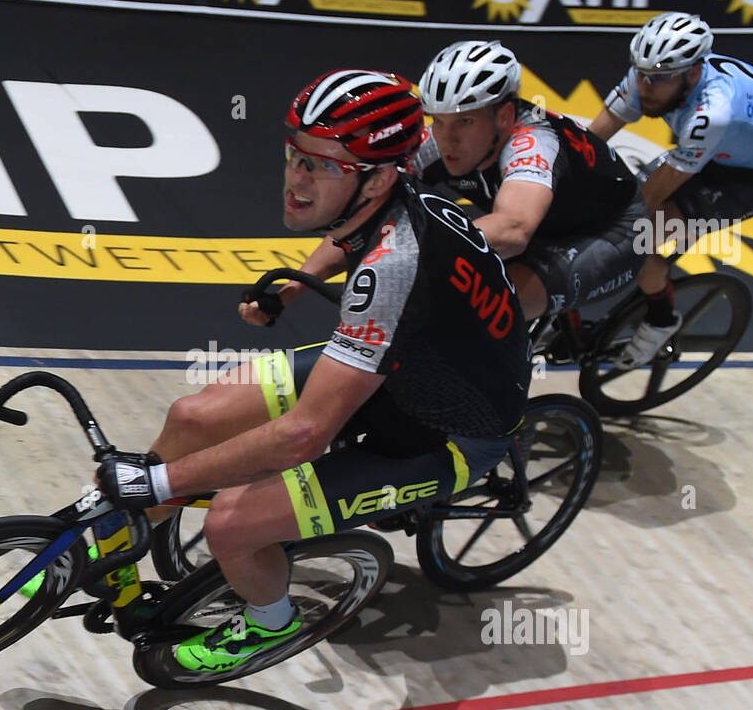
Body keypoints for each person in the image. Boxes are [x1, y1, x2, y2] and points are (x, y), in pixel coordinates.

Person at [94, 69, 532, 672]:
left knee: (231, 522)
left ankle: (270, 625)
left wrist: (161, 483)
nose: (296, 181)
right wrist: (294, 292)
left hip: (452, 429)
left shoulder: (395, 267)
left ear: (379, 177)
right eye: (296, 156)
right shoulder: (391, 198)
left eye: (322, 167)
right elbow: (345, 234)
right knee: (194, 416)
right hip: (404, 367)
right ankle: (115, 544)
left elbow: (305, 433)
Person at [250, 41, 648, 344]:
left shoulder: (534, 142)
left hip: (614, 231)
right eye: (438, 121)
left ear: (505, 116)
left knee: (479, 319)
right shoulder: (437, 142)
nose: (447, 138)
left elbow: (512, 230)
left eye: (466, 122)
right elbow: (364, 216)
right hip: (547, 214)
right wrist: (291, 290)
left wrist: (399, 249)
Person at [589, 11, 753, 368]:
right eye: (641, 76)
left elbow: (652, 198)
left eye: (658, 80)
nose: (645, 88)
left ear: (692, 74)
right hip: (720, 149)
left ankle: (661, 321)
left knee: (638, 239)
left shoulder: (714, 112)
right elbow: (592, 140)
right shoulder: (650, 71)